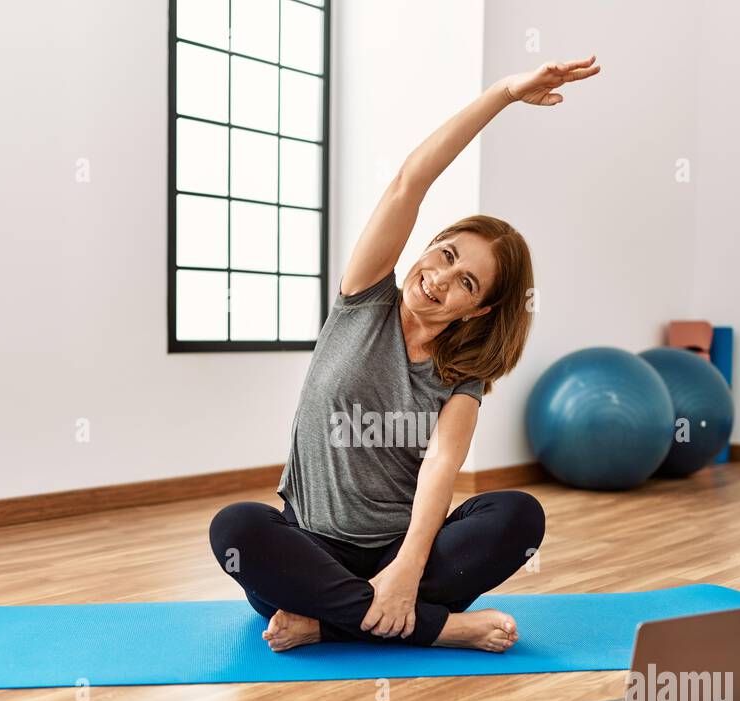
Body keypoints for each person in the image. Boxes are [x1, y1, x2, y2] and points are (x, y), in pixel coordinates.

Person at [209, 56, 602, 653]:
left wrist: (406, 572)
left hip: (404, 554)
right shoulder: (364, 300)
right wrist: (502, 93)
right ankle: (431, 627)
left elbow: (440, 471)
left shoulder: (462, 379)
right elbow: (409, 182)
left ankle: (329, 620)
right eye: (445, 254)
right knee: (236, 528)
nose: (442, 278)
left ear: (480, 311)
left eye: (468, 282)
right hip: (309, 547)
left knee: (520, 516)